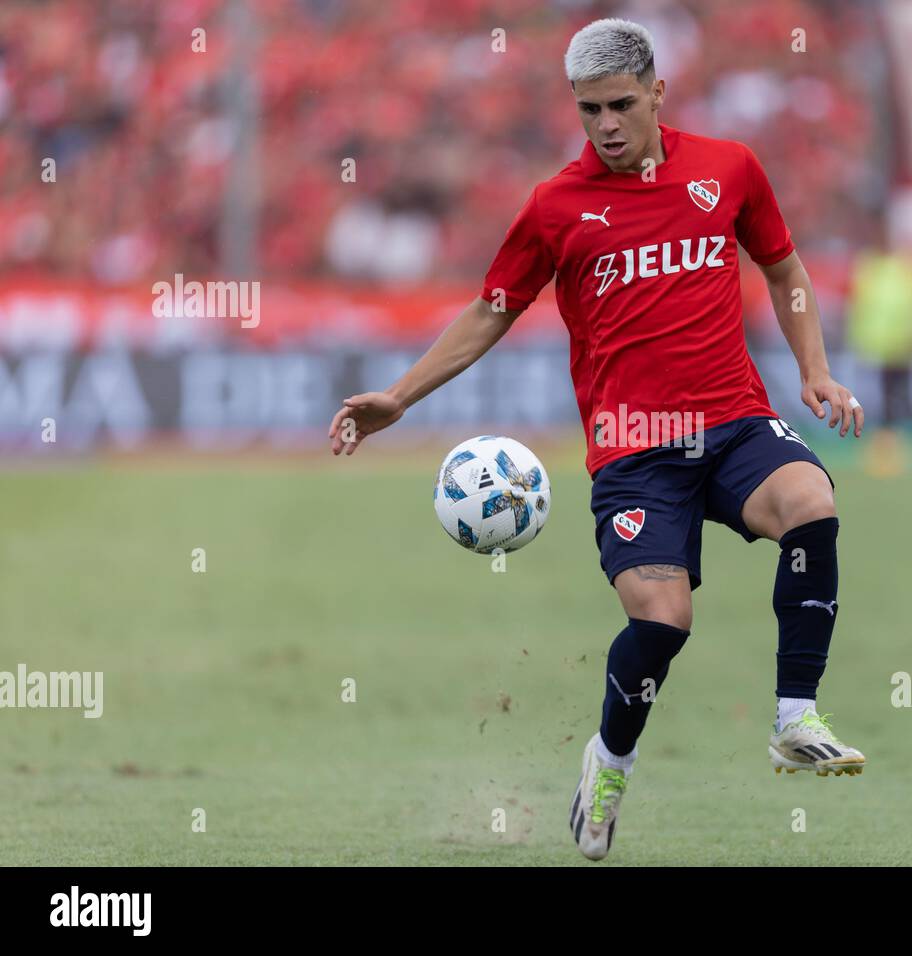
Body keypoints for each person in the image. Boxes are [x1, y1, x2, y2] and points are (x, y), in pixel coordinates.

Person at [326, 18, 865, 862]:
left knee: (811, 500)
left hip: (733, 423)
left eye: (620, 104)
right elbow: (490, 311)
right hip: (633, 452)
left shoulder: (728, 168)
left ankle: (796, 717)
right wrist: (398, 396)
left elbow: (786, 269)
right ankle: (610, 761)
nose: (606, 125)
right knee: (665, 617)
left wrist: (816, 371)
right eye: (588, 111)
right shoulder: (555, 207)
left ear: (658, 91)